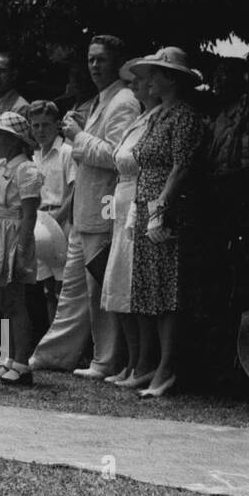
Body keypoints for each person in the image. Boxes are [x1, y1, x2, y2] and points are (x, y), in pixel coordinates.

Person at [30, 35, 140, 378]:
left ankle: (105, 360)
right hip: (85, 211)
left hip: (106, 209)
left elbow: (116, 156)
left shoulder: (124, 101)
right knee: (73, 293)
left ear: (116, 63)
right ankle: (53, 355)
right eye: (91, 59)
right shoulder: (98, 101)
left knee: (98, 292)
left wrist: (78, 136)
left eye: (102, 60)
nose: (94, 66)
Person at [126, 47, 207, 398]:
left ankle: (167, 366)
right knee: (147, 287)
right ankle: (149, 363)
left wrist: (161, 208)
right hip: (146, 206)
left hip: (167, 209)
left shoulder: (184, 116)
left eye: (155, 74)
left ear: (171, 78)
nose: (149, 81)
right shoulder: (158, 116)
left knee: (167, 288)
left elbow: (181, 166)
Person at [100, 60, 161, 389]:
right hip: (122, 202)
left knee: (133, 287)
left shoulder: (156, 120)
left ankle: (143, 362)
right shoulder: (139, 119)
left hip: (138, 202)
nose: (133, 85)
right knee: (118, 285)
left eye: (139, 80)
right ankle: (131, 359)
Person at [0, 112, 42, 386]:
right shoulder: (4, 167)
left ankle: (22, 364)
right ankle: (10, 360)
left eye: (0, 136)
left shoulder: (26, 170)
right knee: (4, 300)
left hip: (12, 235)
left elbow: (29, 213)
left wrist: (22, 246)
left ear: (14, 141)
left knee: (15, 301)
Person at [27, 99, 76, 326]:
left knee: (62, 287)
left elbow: (75, 189)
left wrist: (59, 218)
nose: (40, 131)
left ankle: (65, 344)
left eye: (45, 125)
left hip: (61, 221)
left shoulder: (66, 152)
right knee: (46, 287)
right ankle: (49, 340)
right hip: (40, 223)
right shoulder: (34, 157)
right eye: (35, 126)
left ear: (57, 125)